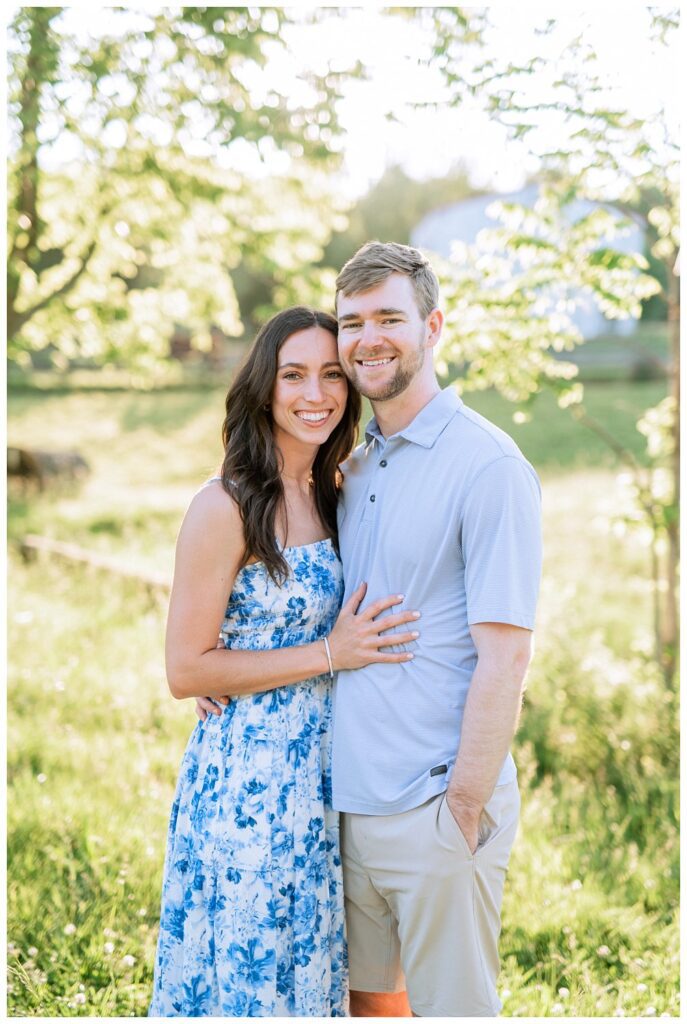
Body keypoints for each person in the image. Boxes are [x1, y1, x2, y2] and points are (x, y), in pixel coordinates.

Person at [198, 242, 542, 1017]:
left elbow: (508, 656)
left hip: (434, 801)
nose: (367, 339)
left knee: (454, 1011)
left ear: (433, 327)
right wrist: (225, 671)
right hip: (342, 803)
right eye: (352, 322)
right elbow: (300, 603)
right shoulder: (350, 470)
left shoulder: (487, 466)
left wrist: (463, 808)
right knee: (364, 1006)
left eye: (389, 317)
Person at [149, 306, 421, 1018]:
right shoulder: (225, 505)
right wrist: (328, 653)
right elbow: (186, 669)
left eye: (331, 374)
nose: (315, 394)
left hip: (328, 778)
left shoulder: (337, 492)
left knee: (315, 975)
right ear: (264, 386)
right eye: (293, 375)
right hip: (251, 785)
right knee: (251, 979)